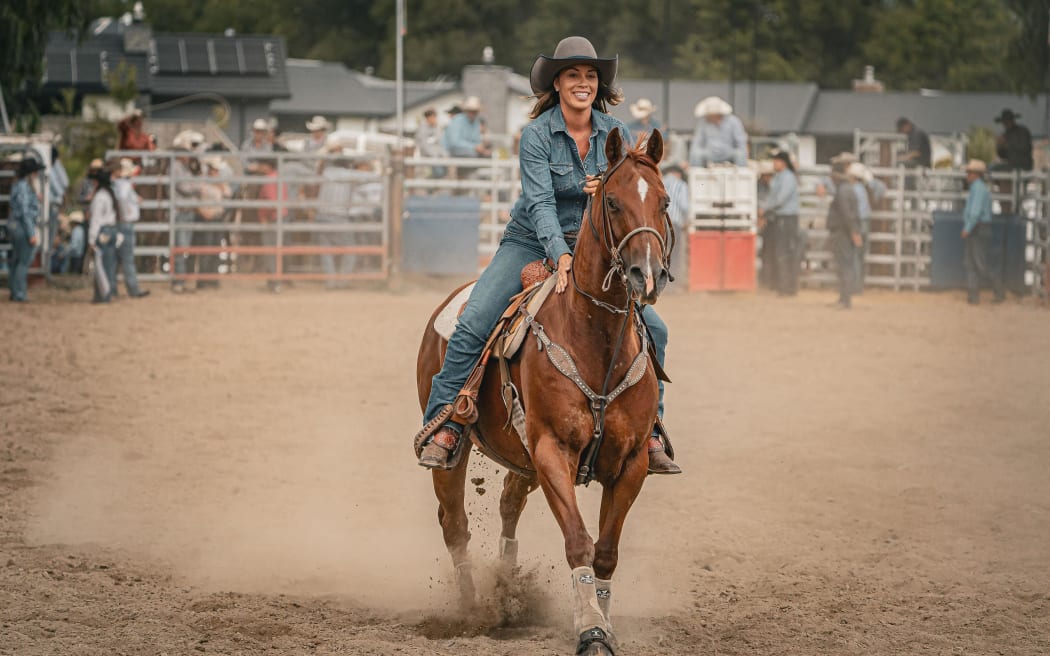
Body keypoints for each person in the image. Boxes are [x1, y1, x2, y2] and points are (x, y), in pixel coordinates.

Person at [416, 35, 680, 475]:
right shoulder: (537, 135)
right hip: (529, 242)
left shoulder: (615, 134)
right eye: (573, 75)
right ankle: (446, 422)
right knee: (475, 319)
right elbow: (539, 203)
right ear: (556, 83)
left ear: (598, 84)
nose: (583, 83)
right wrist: (560, 254)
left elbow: (630, 195)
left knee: (656, 330)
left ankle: (650, 427)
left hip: (595, 249)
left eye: (590, 75)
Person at [961, 159, 1005, 305]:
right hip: (979, 227)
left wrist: (967, 228)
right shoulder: (978, 188)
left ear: (975, 174)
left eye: (969, 172)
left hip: (978, 227)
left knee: (977, 263)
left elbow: (975, 212)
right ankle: (975, 295)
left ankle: (994, 291)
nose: (967, 175)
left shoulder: (978, 189)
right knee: (974, 263)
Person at [759, 151, 801, 296]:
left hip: (786, 218)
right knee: (781, 251)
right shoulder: (781, 177)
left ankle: (786, 287)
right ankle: (784, 286)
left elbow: (780, 198)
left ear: (783, 162)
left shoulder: (787, 177)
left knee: (784, 252)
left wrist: (764, 209)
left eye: (776, 161)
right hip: (782, 217)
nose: (774, 164)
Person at [314, 155, 358, 286]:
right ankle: (343, 280)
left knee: (326, 251)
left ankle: (330, 280)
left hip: (322, 216)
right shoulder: (349, 174)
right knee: (350, 249)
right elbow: (367, 177)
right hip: (338, 217)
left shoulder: (326, 173)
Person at [170, 130, 204, 293]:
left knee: (184, 247)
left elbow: (188, 185)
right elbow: (184, 187)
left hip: (187, 211)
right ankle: (178, 281)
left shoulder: (184, 168)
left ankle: (181, 281)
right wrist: (197, 187)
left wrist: (194, 186)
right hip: (182, 211)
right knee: (181, 247)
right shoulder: (177, 167)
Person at [112, 158, 150, 298]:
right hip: (126, 223)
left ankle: (112, 288)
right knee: (127, 258)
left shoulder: (118, 184)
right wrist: (125, 212)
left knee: (116, 258)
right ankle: (133, 289)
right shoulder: (125, 185)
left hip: (121, 223)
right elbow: (122, 199)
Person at [826, 167, 862, 309]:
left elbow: (846, 213)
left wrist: (853, 231)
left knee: (844, 265)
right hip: (844, 231)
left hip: (842, 232)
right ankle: (844, 298)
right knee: (844, 264)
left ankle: (845, 300)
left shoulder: (842, 191)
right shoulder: (846, 189)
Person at [7, 158, 43, 302]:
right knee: (23, 261)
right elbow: (25, 212)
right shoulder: (24, 187)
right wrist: (31, 233)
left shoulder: (18, 185)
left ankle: (14, 290)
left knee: (16, 260)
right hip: (22, 227)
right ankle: (20, 293)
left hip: (16, 225)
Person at [255, 158, 289, 293]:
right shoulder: (278, 177)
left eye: (261, 164)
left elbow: (271, 201)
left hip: (272, 218)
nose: (259, 167)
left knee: (271, 251)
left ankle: (274, 282)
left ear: (267, 166)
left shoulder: (269, 179)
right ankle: (276, 280)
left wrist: (265, 217)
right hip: (280, 216)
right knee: (277, 250)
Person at [87, 168, 120, 304]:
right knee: (109, 264)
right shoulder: (109, 195)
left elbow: (96, 219)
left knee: (100, 264)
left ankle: (102, 294)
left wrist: (91, 238)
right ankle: (109, 292)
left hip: (103, 231)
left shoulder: (100, 197)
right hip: (111, 230)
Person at [689, 96, 748, 168]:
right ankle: (696, 172)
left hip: (728, 152)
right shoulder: (703, 123)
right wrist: (694, 153)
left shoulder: (734, 121)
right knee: (696, 153)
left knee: (740, 154)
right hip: (709, 153)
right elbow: (697, 142)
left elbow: (741, 141)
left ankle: (742, 173)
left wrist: (743, 152)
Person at [661, 164, 690, 286]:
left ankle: (661, 282)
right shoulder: (681, 185)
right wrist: (686, 220)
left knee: (661, 252)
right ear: (678, 174)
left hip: (660, 224)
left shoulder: (660, 182)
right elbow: (684, 206)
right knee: (674, 253)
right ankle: (673, 283)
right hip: (674, 225)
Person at [47, 145, 70, 253]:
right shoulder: (51, 169)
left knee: (50, 236)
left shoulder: (51, 167)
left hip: (52, 204)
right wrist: (63, 195)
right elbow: (64, 183)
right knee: (50, 237)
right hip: (52, 205)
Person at [416, 107, 447, 178]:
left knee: (442, 173)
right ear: (427, 118)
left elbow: (441, 142)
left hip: (439, 157)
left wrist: (443, 155)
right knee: (434, 174)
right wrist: (434, 156)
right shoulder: (422, 128)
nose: (434, 119)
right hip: (428, 158)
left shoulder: (437, 127)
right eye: (432, 117)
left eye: (435, 117)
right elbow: (424, 145)